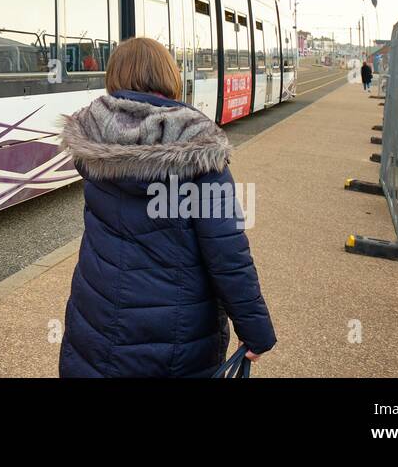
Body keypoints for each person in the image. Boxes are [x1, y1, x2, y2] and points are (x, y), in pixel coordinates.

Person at [58, 36, 276, 377]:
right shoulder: (199, 152)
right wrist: (256, 332)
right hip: (176, 334)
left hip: (98, 316)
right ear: (169, 76)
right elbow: (228, 255)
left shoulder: (94, 138)